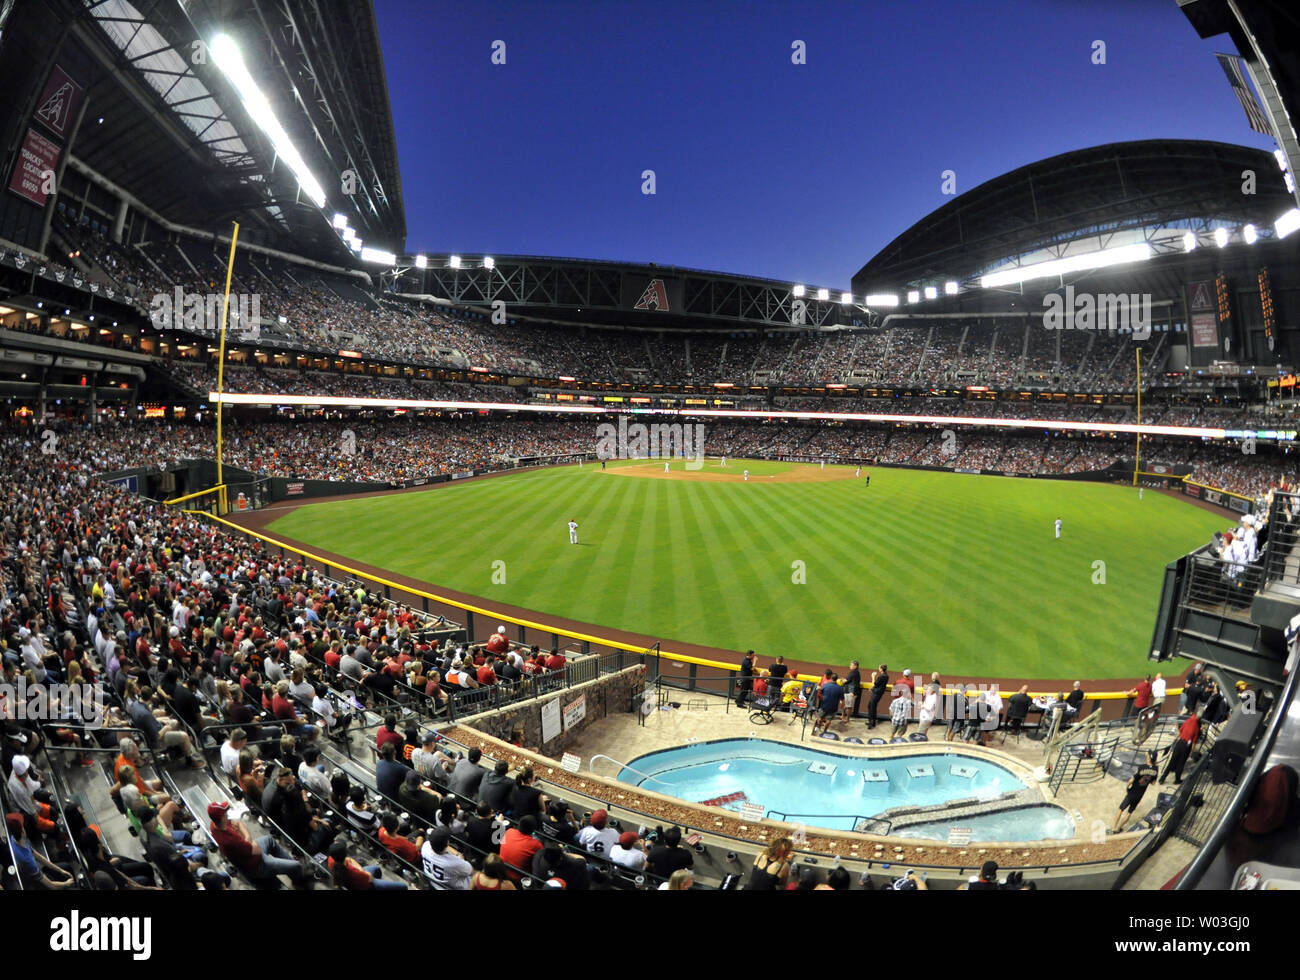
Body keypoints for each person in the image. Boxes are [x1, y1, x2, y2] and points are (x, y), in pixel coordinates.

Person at [208, 801, 310, 887]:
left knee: (269, 840)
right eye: (225, 813)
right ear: (221, 817)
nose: (227, 813)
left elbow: (239, 823)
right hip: (257, 865)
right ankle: (300, 883)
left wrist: (246, 838)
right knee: (297, 865)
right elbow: (256, 849)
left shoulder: (214, 824)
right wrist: (247, 837)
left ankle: (292, 872)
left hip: (252, 851)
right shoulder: (230, 840)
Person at [5, 814, 74, 889]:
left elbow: (38, 856)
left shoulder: (14, 838)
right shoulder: (27, 860)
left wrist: (60, 870)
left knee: (66, 867)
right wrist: (66, 883)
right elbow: (52, 886)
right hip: (38, 882)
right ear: (22, 831)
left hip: (36, 873)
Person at [328, 839, 407, 890]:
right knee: (403, 886)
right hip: (366, 884)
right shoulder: (354, 873)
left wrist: (360, 870)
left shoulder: (331, 859)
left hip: (360, 876)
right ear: (345, 853)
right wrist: (361, 870)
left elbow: (349, 859)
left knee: (376, 869)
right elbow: (370, 878)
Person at [1112, 751, 1159, 833]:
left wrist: (1127, 787)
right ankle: (1119, 828)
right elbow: (1153, 783)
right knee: (1129, 812)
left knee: (1121, 808)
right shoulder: (1156, 769)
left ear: (1149, 758)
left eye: (1148, 755)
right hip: (1140, 795)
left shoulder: (1142, 767)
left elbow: (1131, 780)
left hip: (1132, 792)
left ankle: (1114, 828)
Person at [1159, 712, 1201, 785]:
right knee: (1181, 763)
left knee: (1172, 761)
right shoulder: (1197, 727)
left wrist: (1177, 738)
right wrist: (1191, 752)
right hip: (1186, 746)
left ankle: (1162, 778)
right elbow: (1194, 742)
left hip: (1180, 742)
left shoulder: (1187, 721)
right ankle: (1177, 780)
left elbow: (1180, 730)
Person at [812, 672, 843, 737]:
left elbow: (821, 693)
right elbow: (842, 699)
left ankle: (818, 728)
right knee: (829, 720)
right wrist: (841, 706)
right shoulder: (840, 688)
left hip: (824, 705)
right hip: (833, 706)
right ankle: (825, 731)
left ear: (831, 678)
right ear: (837, 679)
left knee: (820, 717)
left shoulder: (826, 685)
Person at [867, 663, 889, 729]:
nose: (878, 668)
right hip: (878, 692)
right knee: (871, 705)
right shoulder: (885, 675)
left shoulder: (882, 676)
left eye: (879, 667)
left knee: (872, 706)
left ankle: (871, 723)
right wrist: (872, 688)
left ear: (881, 669)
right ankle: (871, 721)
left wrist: (873, 676)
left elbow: (875, 683)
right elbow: (879, 685)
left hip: (877, 693)